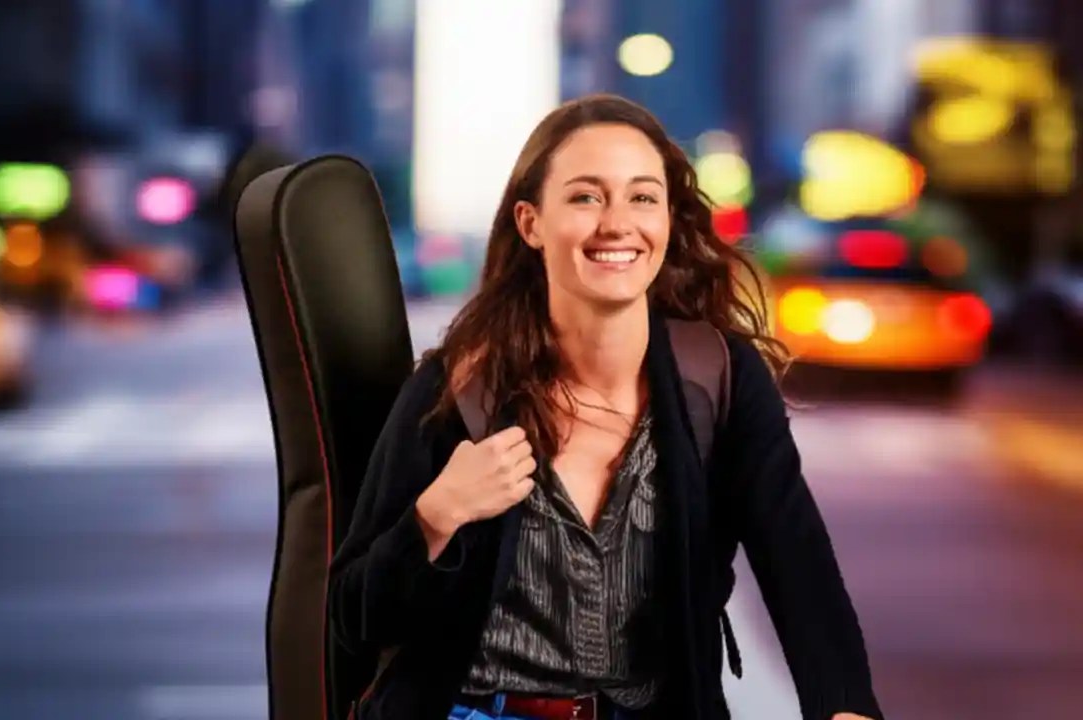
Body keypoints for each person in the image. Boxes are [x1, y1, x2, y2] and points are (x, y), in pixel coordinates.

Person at [329, 94, 884, 720]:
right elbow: (353, 618)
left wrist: (845, 707)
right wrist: (437, 514)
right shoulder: (457, 389)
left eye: (642, 197)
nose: (616, 223)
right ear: (531, 223)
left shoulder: (719, 378)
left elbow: (798, 565)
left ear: (669, 219)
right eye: (586, 197)